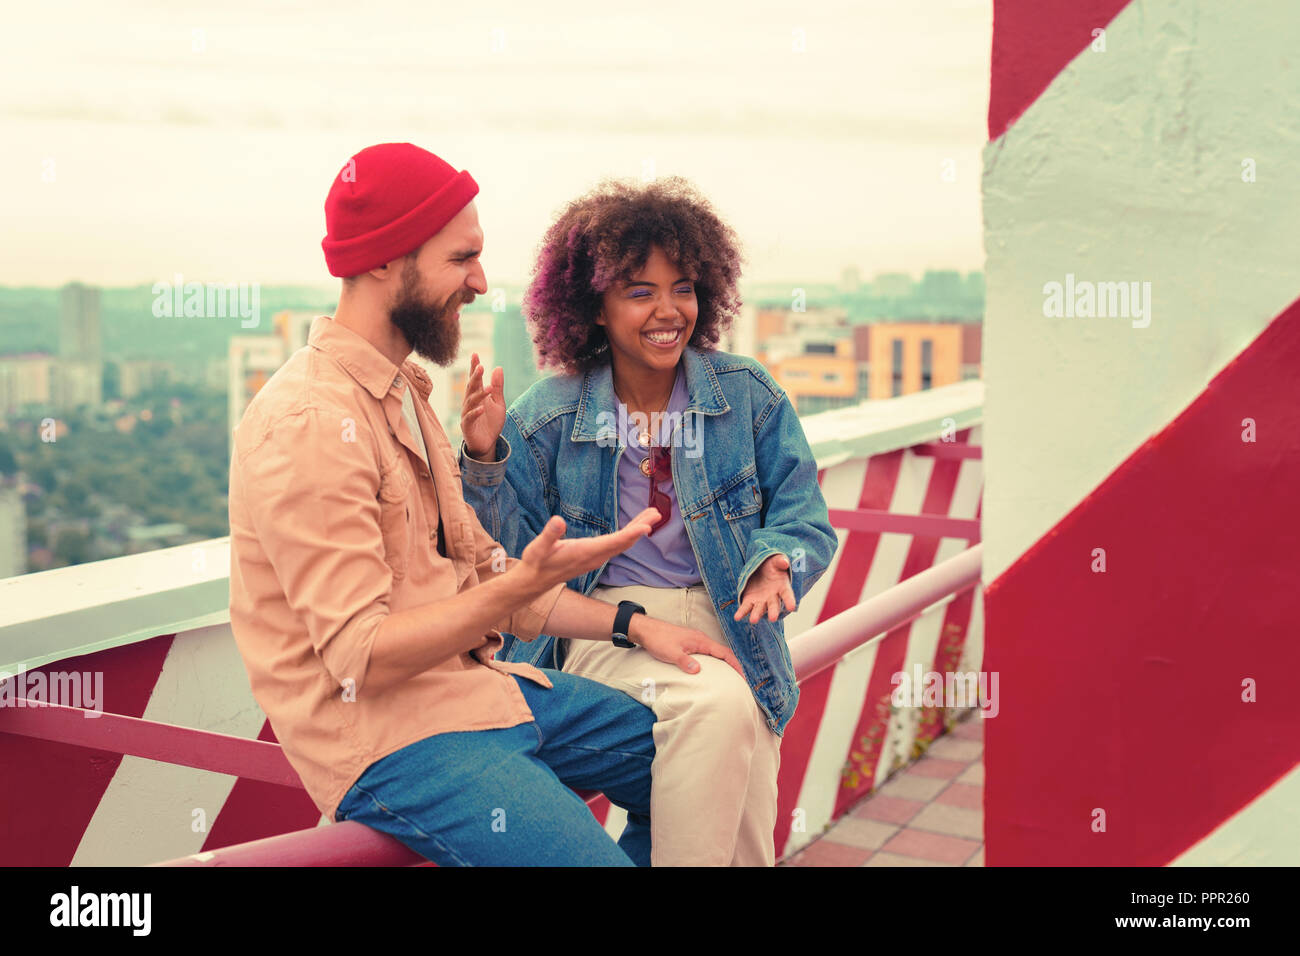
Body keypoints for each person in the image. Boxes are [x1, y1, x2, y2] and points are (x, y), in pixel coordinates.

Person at [227, 143, 741, 867]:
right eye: (461, 258)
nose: (479, 280)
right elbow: (359, 658)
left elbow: (488, 576)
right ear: (382, 259)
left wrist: (633, 626)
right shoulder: (311, 421)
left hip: (483, 692)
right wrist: (520, 585)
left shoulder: (403, 392)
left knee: (703, 758)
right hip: (399, 743)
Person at [459, 176, 838, 866]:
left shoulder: (747, 396)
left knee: (748, 836)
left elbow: (806, 516)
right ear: (593, 307)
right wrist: (485, 457)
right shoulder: (551, 416)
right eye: (640, 291)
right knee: (721, 707)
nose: (669, 310)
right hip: (609, 627)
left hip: (734, 622)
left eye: (683, 287)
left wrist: (779, 559)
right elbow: (503, 561)